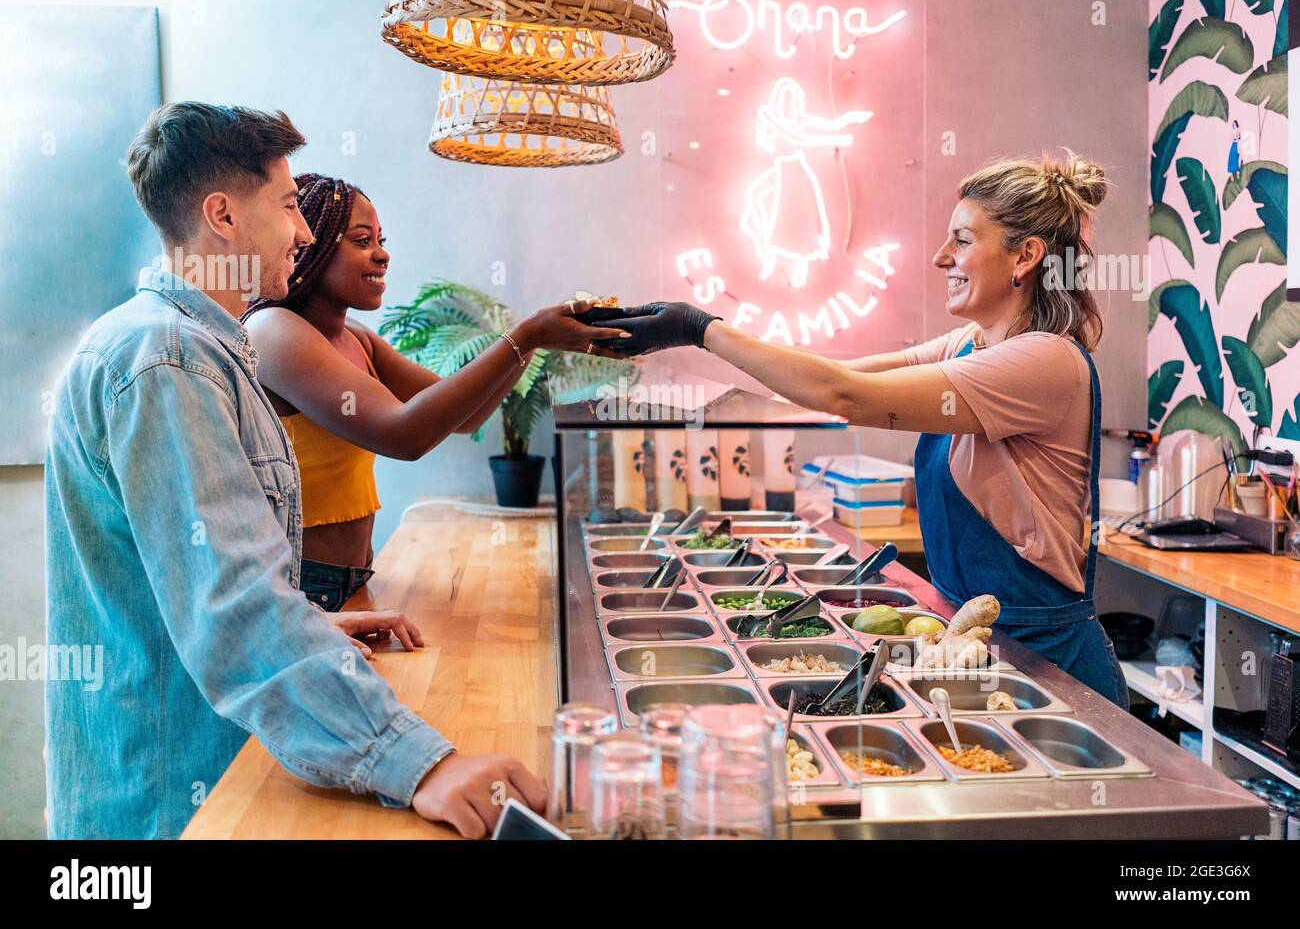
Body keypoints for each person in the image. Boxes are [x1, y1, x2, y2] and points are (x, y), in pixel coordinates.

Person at [45, 102, 545, 839]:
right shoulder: (169, 362)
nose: (305, 230)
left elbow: (189, 575)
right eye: (287, 205)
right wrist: (423, 765)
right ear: (222, 215)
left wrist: (311, 623)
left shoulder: (199, 346)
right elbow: (234, 603)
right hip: (169, 794)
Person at [590, 152, 1130, 707]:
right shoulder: (969, 344)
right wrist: (682, 361)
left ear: (1026, 256)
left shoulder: (1045, 362)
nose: (941, 257)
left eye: (962, 240)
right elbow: (826, 379)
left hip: (1053, 665)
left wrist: (699, 327)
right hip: (978, 648)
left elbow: (842, 395)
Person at [241, 174, 628, 611]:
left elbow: (465, 418)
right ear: (312, 244)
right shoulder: (272, 330)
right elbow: (405, 436)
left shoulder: (356, 338)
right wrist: (524, 333)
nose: (383, 254)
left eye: (381, 240)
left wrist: (534, 341)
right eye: (362, 240)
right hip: (305, 587)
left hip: (350, 579)